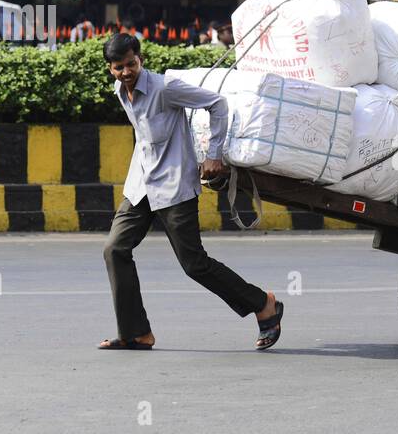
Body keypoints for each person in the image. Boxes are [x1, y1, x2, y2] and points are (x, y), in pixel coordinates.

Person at [98, 33, 284, 351]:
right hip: (141, 185)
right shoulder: (120, 90)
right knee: (114, 249)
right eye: (119, 68)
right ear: (111, 69)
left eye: (131, 64)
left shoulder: (165, 88)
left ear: (140, 59)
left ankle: (263, 303)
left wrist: (214, 154)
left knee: (194, 264)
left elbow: (217, 104)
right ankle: (136, 332)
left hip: (173, 186)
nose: (126, 72)